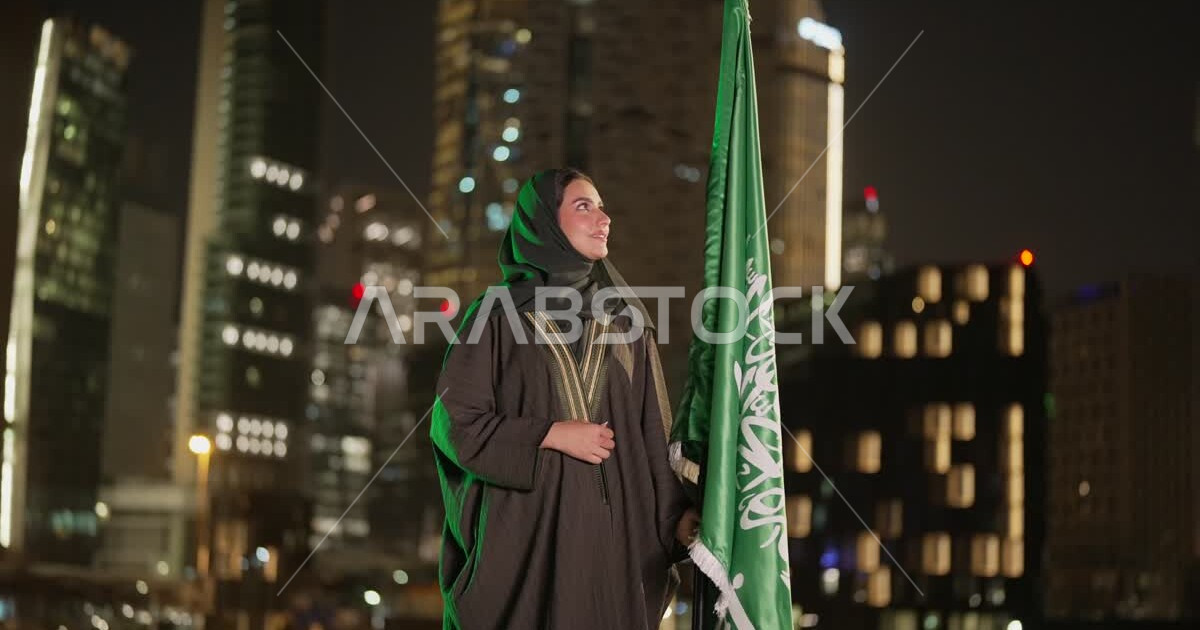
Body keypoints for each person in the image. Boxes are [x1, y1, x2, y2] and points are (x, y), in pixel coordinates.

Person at [431, 168, 700, 629]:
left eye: (602, 205)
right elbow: (455, 423)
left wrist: (677, 519)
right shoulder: (495, 315)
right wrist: (550, 434)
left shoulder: (626, 323)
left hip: (611, 560)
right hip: (522, 555)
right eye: (584, 206)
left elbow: (653, 439)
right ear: (544, 223)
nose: (604, 218)